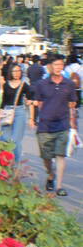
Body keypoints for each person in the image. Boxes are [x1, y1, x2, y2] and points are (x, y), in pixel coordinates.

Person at [29, 54, 77, 195]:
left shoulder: (69, 84)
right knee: (46, 158)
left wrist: (72, 122)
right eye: (56, 65)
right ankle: (51, 175)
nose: (58, 68)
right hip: (45, 126)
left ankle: (59, 187)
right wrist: (32, 119)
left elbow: (72, 104)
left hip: (63, 124)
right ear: (50, 67)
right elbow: (36, 102)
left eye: (61, 65)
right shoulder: (41, 84)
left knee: (60, 155)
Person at [0, 63, 30, 167]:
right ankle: (5, 163)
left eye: (19, 71)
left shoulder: (24, 85)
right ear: (10, 72)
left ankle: (16, 165)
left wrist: (31, 102)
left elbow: (31, 97)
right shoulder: (6, 84)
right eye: (14, 71)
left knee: (15, 140)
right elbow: (4, 101)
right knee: (4, 139)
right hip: (7, 111)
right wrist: (0, 115)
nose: (17, 73)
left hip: (19, 112)